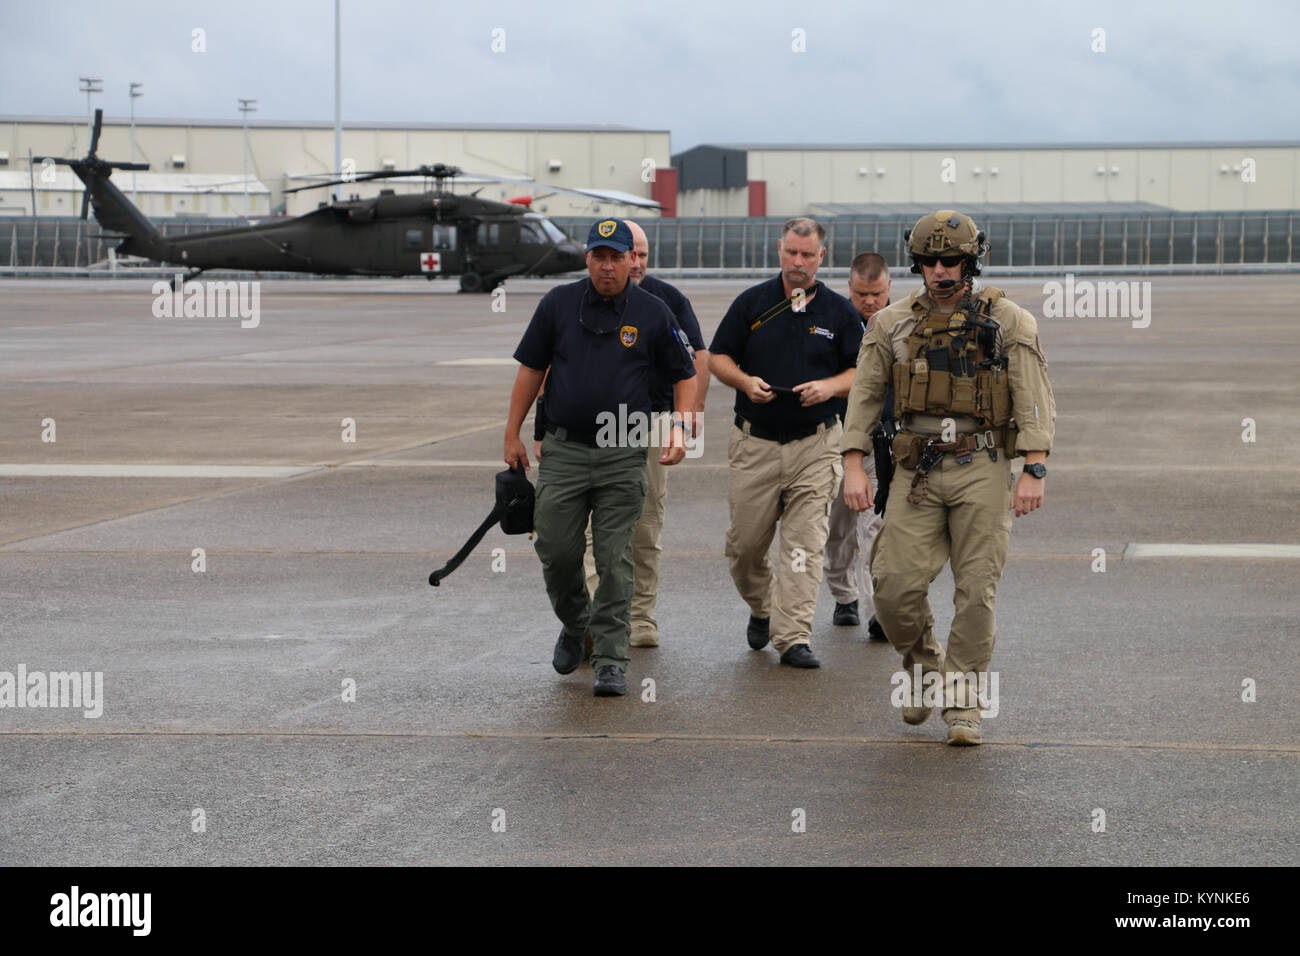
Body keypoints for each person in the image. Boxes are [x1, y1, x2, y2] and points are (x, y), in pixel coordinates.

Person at [841, 210, 1056, 744]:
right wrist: (851, 462)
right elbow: (865, 398)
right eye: (930, 260)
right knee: (891, 586)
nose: (940, 270)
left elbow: (1033, 396)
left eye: (952, 260)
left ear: (971, 260)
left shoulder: (1008, 322)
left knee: (976, 589)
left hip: (981, 463)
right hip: (915, 469)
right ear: (917, 263)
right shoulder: (890, 324)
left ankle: (962, 702)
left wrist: (1033, 466)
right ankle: (922, 664)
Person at [504, 218, 696, 697]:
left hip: (624, 447)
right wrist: (512, 433)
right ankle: (576, 624)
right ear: (587, 258)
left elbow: (685, 374)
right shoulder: (557, 304)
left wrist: (681, 425)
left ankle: (611, 657)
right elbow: (532, 370)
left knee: (614, 557)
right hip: (564, 448)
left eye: (617, 257)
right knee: (555, 548)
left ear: (633, 260)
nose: (608, 266)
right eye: (599, 256)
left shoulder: (654, 312)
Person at [708, 217, 863, 668]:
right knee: (744, 548)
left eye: (808, 255)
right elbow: (717, 357)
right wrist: (743, 380)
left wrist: (830, 388)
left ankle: (793, 637)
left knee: (803, 546)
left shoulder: (839, 313)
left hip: (816, 445)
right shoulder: (751, 303)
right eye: (792, 253)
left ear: (822, 257)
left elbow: (861, 372)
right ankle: (763, 607)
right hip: (754, 444)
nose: (798, 263)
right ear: (779, 249)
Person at [575, 220, 710, 648]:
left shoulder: (667, 300)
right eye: (622, 253)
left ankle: (641, 617)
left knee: (645, 527)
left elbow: (697, 358)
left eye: (640, 254)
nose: (633, 262)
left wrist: (689, 419)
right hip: (596, 424)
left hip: (651, 421)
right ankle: (598, 620)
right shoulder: (577, 301)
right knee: (595, 531)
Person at [825, 252, 892, 641]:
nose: (869, 301)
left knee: (875, 529)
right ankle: (843, 594)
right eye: (862, 293)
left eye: (877, 293)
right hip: (834, 437)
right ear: (850, 287)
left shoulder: (898, 324)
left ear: (889, 288)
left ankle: (877, 612)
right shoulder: (834, 321)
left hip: (877, 444)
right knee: (838, 528)